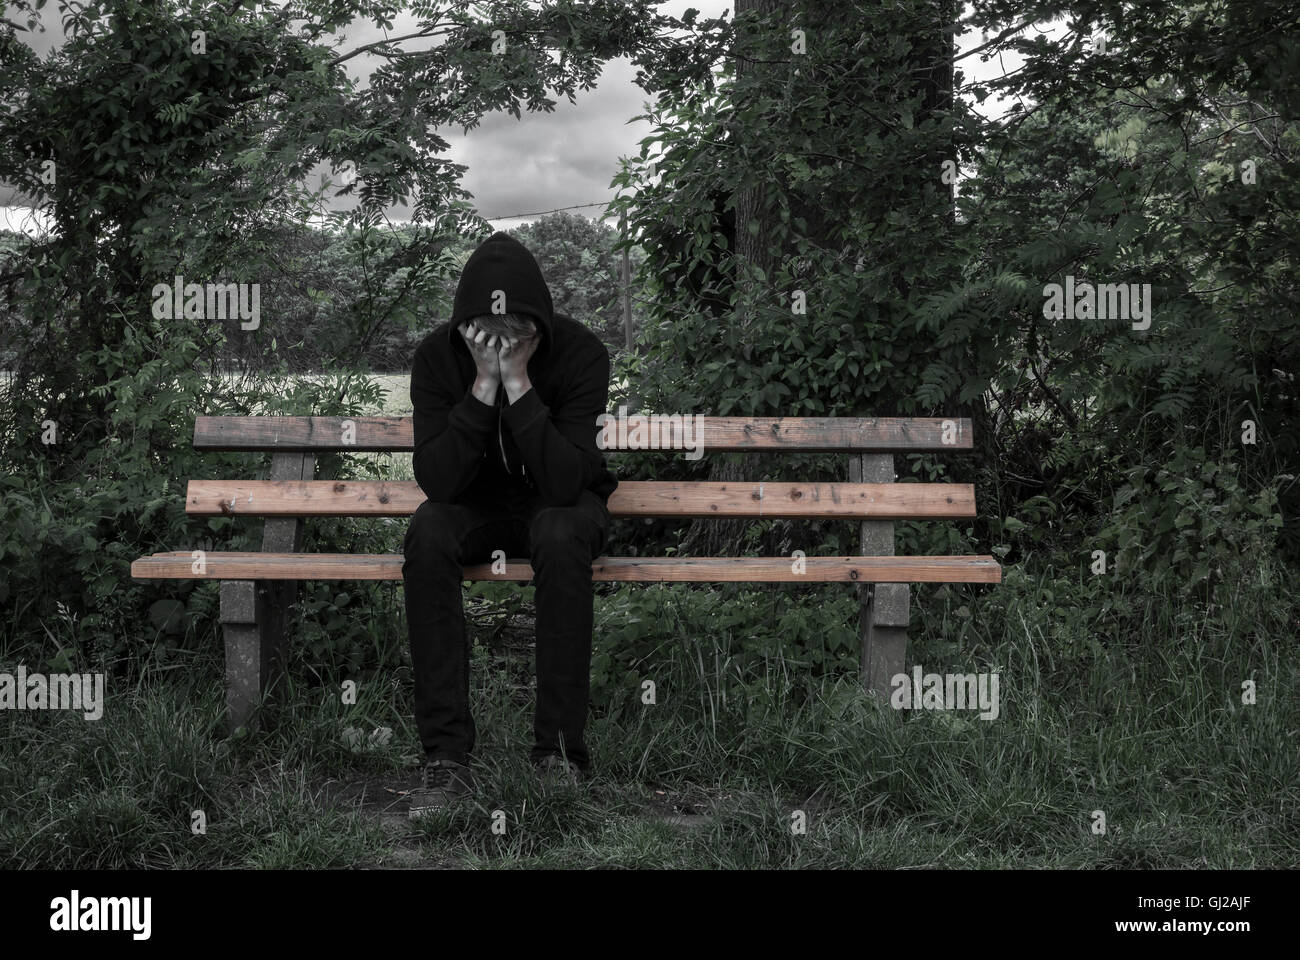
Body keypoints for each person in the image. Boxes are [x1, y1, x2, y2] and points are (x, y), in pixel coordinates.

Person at [402, 231, 617, 818]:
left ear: (539, 324)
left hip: (562, 503)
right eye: (485, 330)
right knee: (427, 533)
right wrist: (482, 385)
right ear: (463, 327)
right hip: (475, 504)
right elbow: (439, 482)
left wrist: (518, 385)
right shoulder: (436, 359)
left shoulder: (579, 353)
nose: (499, 341)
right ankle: (445, 757)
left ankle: (558, 754)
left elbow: (566, 481)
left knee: (559, 531)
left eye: (515, 329)